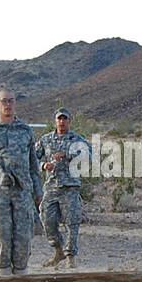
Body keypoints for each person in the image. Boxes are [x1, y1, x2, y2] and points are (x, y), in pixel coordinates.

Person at [0, 91, 42, 275]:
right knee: (2, 236)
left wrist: (38, 189)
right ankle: (2, 278)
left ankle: (21, 278)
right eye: (4, 101)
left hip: (22, 191)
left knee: (23, 237)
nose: (8, 105)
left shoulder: (25, 130)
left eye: (11, 101)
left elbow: (33, 163)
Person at [35, 107, 91, 268]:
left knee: (72, 222)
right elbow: (32, 158)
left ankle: (70, 257)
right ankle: (58, 250)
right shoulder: (46, 140)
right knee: (47, 219)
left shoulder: (76, 140)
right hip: (51, 187)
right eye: (59, 118)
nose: (62, 121)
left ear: (69, 121)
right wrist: (43, 165)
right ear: (55, 121)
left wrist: (67, 155)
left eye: (65, 119)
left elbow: (88, 155)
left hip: (70, 186)